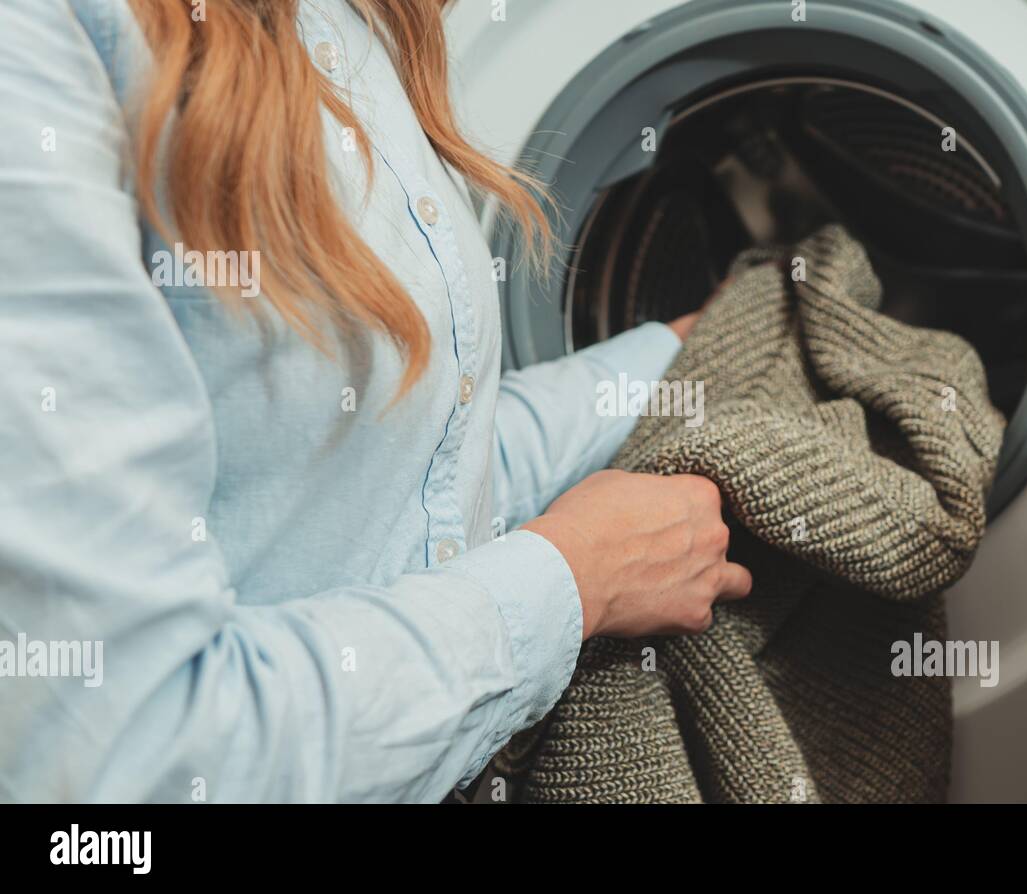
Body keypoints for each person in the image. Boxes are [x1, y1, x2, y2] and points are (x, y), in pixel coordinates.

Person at [0, 0, 751, 802]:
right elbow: (128, 756)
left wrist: (689, 352)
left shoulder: (338, 23)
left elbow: (414, 483)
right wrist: (574, 579)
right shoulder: (43, 44)